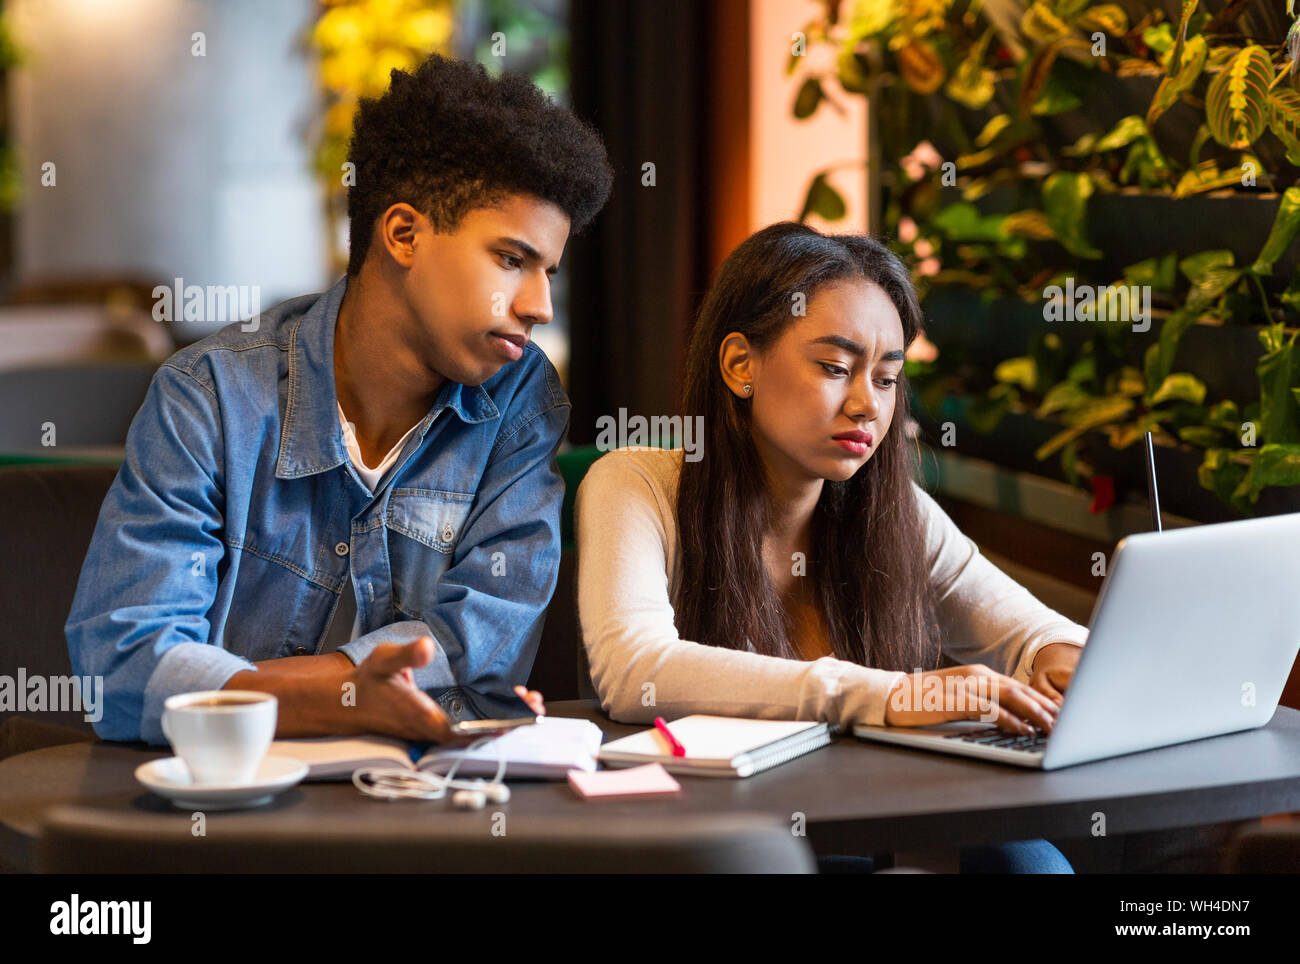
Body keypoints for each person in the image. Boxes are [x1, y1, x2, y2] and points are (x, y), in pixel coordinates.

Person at [66, 54, 613, 746]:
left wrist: (251, 692)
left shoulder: (523, 406)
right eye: (511, 259)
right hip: (223, 820)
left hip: (422, 822)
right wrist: (351, 697)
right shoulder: (208, 397)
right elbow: (120, 669)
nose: (537, 306)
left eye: (549, 272)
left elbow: (484, 660)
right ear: (404, 234)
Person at [574, 222, 1084, 873]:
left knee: (1030, 863)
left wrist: (1065, 660)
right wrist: (893, 695)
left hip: (865, 832)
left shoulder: (897, 514)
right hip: (714, 842)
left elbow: (1030, 633)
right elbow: (635, 671)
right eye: (836, 367)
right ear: (740, 365)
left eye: (888, 378)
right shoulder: (635, 483)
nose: (867, 405)